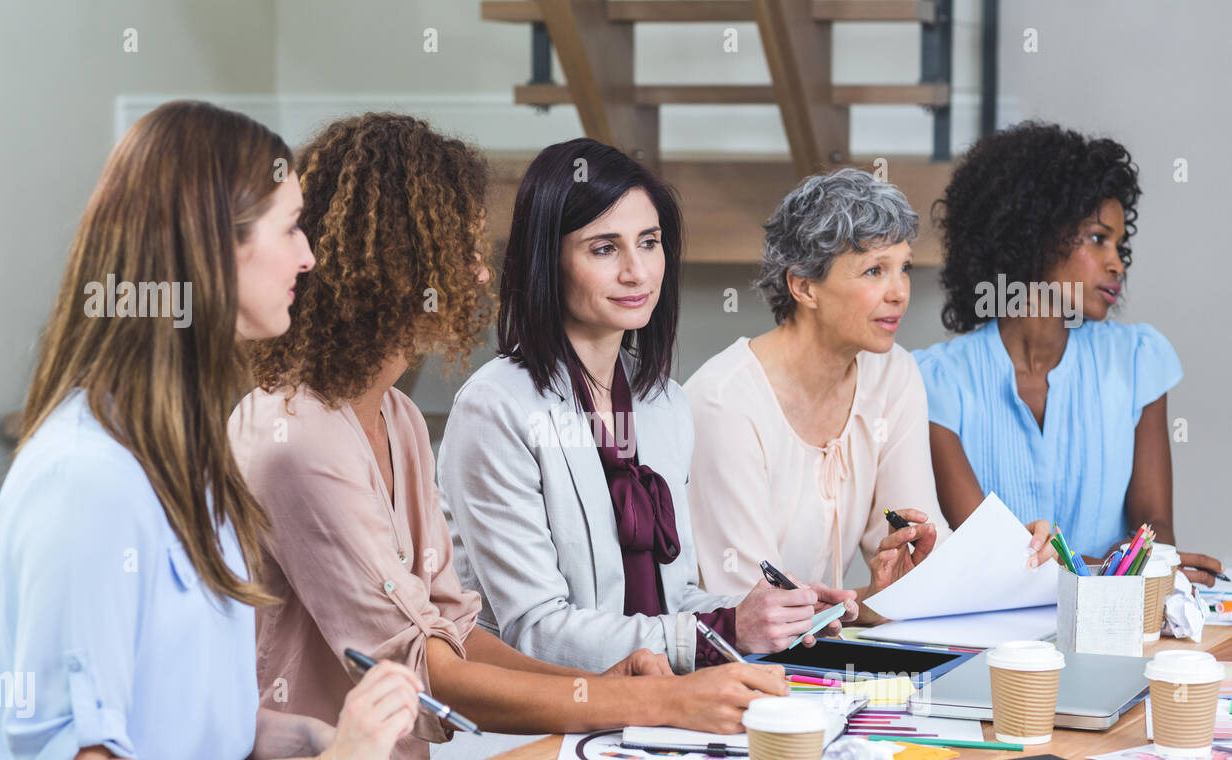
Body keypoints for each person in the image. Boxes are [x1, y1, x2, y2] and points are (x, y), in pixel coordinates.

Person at [231, 115, 787, 760]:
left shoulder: (401, 417)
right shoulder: (300, 439)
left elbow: (453, 630)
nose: (476, 271)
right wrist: (649, 698)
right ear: (400, 262)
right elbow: (423, 665)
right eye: (459, 245)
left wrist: (614, 688)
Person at [0, 101, 420, 760]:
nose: (309, 257)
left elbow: (155, 722)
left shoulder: (183, 456)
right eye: (291, 227)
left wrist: (292, 737)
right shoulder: (87, 478)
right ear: (213, 248)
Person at [438, 138, 859, 673]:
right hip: (542, 731)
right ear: (548, 261)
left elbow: (672, 603)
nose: (638, 272)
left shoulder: (663, 402)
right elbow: (536, 632)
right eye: (604, 248)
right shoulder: (495, 408)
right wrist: (721, 633)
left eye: (650, 242)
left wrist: (770, 614)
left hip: (653, 715)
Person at [685, 170, 1055, 625]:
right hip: (730, 669)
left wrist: (1017, 557)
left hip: (818, 662)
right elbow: (754, 616)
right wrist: (870, 599)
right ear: (803, 286)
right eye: (875, 270)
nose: (899, 292)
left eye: (904, 267)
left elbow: (920, 555)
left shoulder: (893, 373)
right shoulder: (723, 401)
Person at [915, 122, 1224, 583]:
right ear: (1036, 234)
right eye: (1099, 239)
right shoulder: (936, 383)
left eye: (1120, 244)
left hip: (1115, 639)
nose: (1117, 262)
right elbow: (990, 557)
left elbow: (1154, 529)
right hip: (997, 648)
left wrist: (1149, 557)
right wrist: (1105, 569)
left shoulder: (1138, 361)